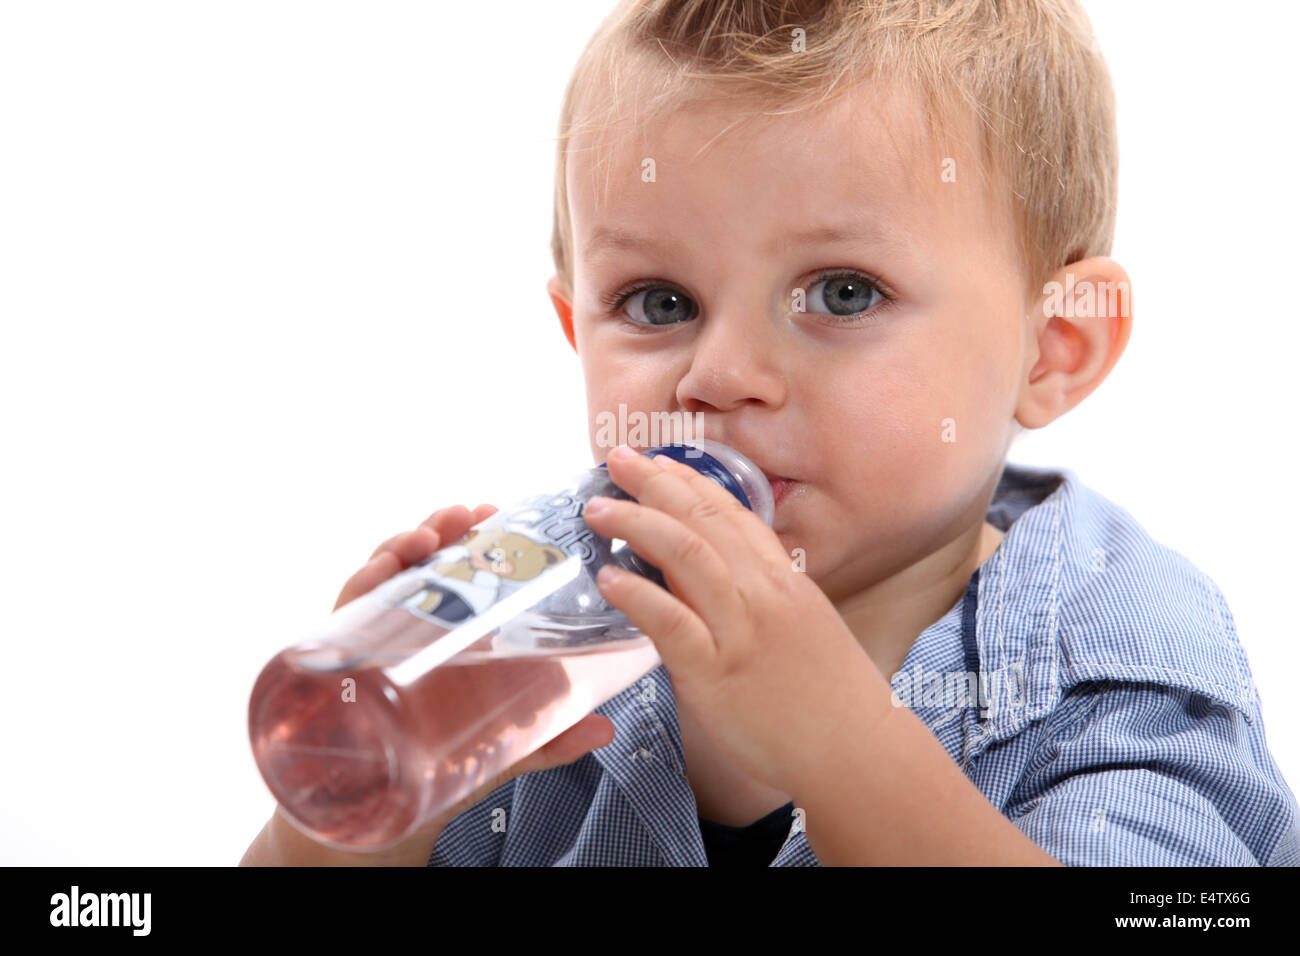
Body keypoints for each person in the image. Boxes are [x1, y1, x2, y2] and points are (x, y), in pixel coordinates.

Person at [242, 0, 1300, 866]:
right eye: (659, 302)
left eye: (841, 291)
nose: (720, 375)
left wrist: (840, 746)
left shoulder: (1119, 664)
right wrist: (352, 810)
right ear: (574, 328)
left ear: (1051, 346)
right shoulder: (560, 598)